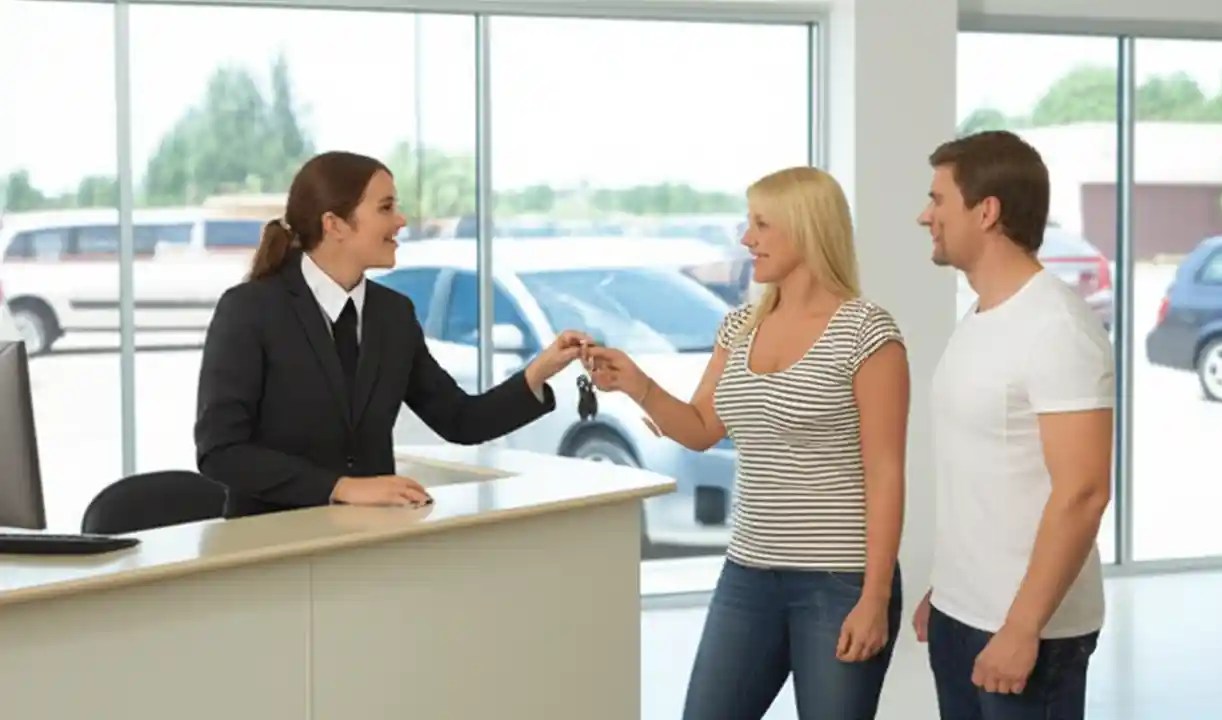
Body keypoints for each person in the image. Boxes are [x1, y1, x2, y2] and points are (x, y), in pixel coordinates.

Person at [587, 166, 909, 719]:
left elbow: (886, 471)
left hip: (838, 582)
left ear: (805, 229)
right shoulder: (739, 327)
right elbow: (700, 427)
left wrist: (874, 597)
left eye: (761, 224)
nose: (746, 239)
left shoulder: (867, 332)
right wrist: (636, 384)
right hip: (748, 575)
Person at [194, 150, 589, 518]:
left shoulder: (393, 315)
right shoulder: (250, 309)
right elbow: (222, 451)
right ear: (334, 225)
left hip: (373, 546)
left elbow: (460, 420)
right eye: (386, 207)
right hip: (270, 549)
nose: (401, 220)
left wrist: (539, 372)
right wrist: (340, 487)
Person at [913, 130, 1114, 720]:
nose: (925, 216)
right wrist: (949, 592)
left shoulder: (1057, 327)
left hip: (1031, 634)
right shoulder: (980, 316)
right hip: (962, 615)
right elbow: (987, 469)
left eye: (939, 200)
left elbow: (1083, 492)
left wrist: (1022, 628)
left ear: (987, 210)